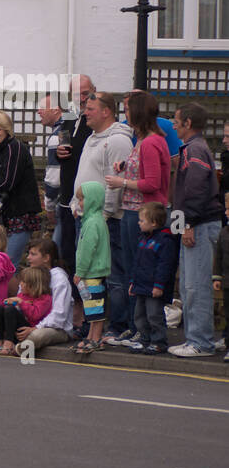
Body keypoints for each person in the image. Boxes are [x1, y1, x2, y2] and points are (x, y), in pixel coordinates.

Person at [103, 91, 170, 345]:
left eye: (128, 109)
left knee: (136, 272)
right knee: (133, 271)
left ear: (138, 112)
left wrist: (123, 182)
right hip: (136, 212)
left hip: (141, 213)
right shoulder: (144, 140)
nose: (125, 114)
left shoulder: (151, 142)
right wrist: (125, 167)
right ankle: (136, 328)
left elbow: (153, 183)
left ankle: (139, 330)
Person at [72, 91, 133, 342]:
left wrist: (105, 214)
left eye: (90, 108)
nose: (85, 112)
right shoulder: (92, 137)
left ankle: (118, 327)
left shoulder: (117, 140)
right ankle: (93, 326)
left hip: (107, 220)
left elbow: (114, 181)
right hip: (86, 216)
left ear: (106, 111)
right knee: (88, 277)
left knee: (113, 275)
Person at [169, 103, 222, 358]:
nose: (173, 124)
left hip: (199, 226)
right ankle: (194, 339)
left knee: (196, 287)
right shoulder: (192, 149)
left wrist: (187, 225)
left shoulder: (195, 150)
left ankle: (201, 342)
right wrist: (181, 226)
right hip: (192, 225)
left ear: (188, 123)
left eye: (176, 120)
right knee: (188, 285)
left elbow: (195, 191)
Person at [0, 110, 41, 268]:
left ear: (7, 130)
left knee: (7, 264)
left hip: (19, 215)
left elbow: (7, 181)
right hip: (1, 217)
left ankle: (11, 294)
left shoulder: (15, 148)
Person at [55, 74, 95, 270]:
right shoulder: (70, 115)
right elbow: (63, 142)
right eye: (77, 94)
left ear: (94, 92)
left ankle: (81, 297)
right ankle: (71, 296)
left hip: (86, 196)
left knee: (83, 252)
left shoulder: (95, 118)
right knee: (66, 249)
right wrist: (59, 151)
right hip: (66, 193)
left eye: (86, 94)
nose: (81, 99)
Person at [130, 202, 178, 356]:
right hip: (141, 285)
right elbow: (136, 263)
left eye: (142, 221)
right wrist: (133, 282)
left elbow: (165, 266)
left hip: (154, 287)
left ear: (154, 223)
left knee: (154, 315)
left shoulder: (165, 241)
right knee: (139, 315)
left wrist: (159, 285)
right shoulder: (142, 239)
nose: (139, 223)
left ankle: (158, 341)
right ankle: (144, 339)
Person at [72, 181, 110, 355]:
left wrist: (80, 272)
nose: (80, 203)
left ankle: (95, 339)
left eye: (82, 199)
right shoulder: (94, 220)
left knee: (95, 308)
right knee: (92, 307)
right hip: (93, 272)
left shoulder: (92, 223)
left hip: (91, 272)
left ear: (93, 199)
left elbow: (87, 250)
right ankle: (91, 336)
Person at [0, 265, 53, 356]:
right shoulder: (22, 295)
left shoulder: (45, 298)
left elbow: (35, 315)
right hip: (15, 328)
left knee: (10, 310)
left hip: (29, 328)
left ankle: (8, 345)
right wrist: (9, 302)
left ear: (33, 284)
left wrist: (21, 303)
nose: (20, 284)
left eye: (23, 282)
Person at [37, 94, 68, 241]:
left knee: (58, 249)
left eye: (42, 108)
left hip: (61, 201)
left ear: (56, 110)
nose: (38, 111)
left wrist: (49, 204)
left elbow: (54, 176)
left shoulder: (58, 135)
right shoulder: (67, 129)